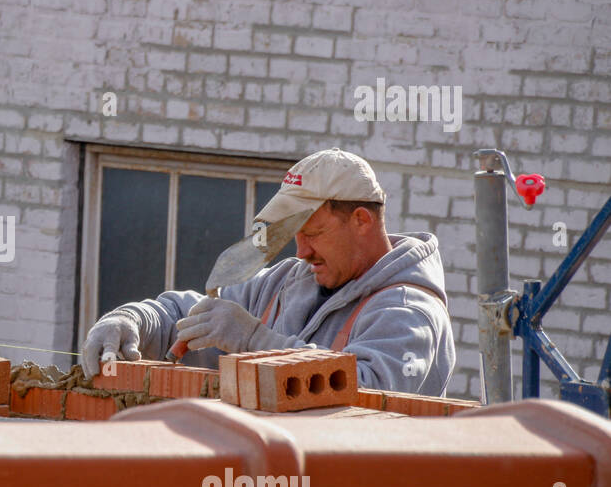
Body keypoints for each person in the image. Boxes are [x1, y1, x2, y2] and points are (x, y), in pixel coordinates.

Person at [80, 148, 456, 395]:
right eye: (296, 236)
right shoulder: (288, 281)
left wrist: (254, 341)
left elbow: (363, 392)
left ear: (360, 221)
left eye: (313, 233)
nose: (301, 251)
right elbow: (190, 316)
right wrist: (132, 321)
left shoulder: (408, 311)